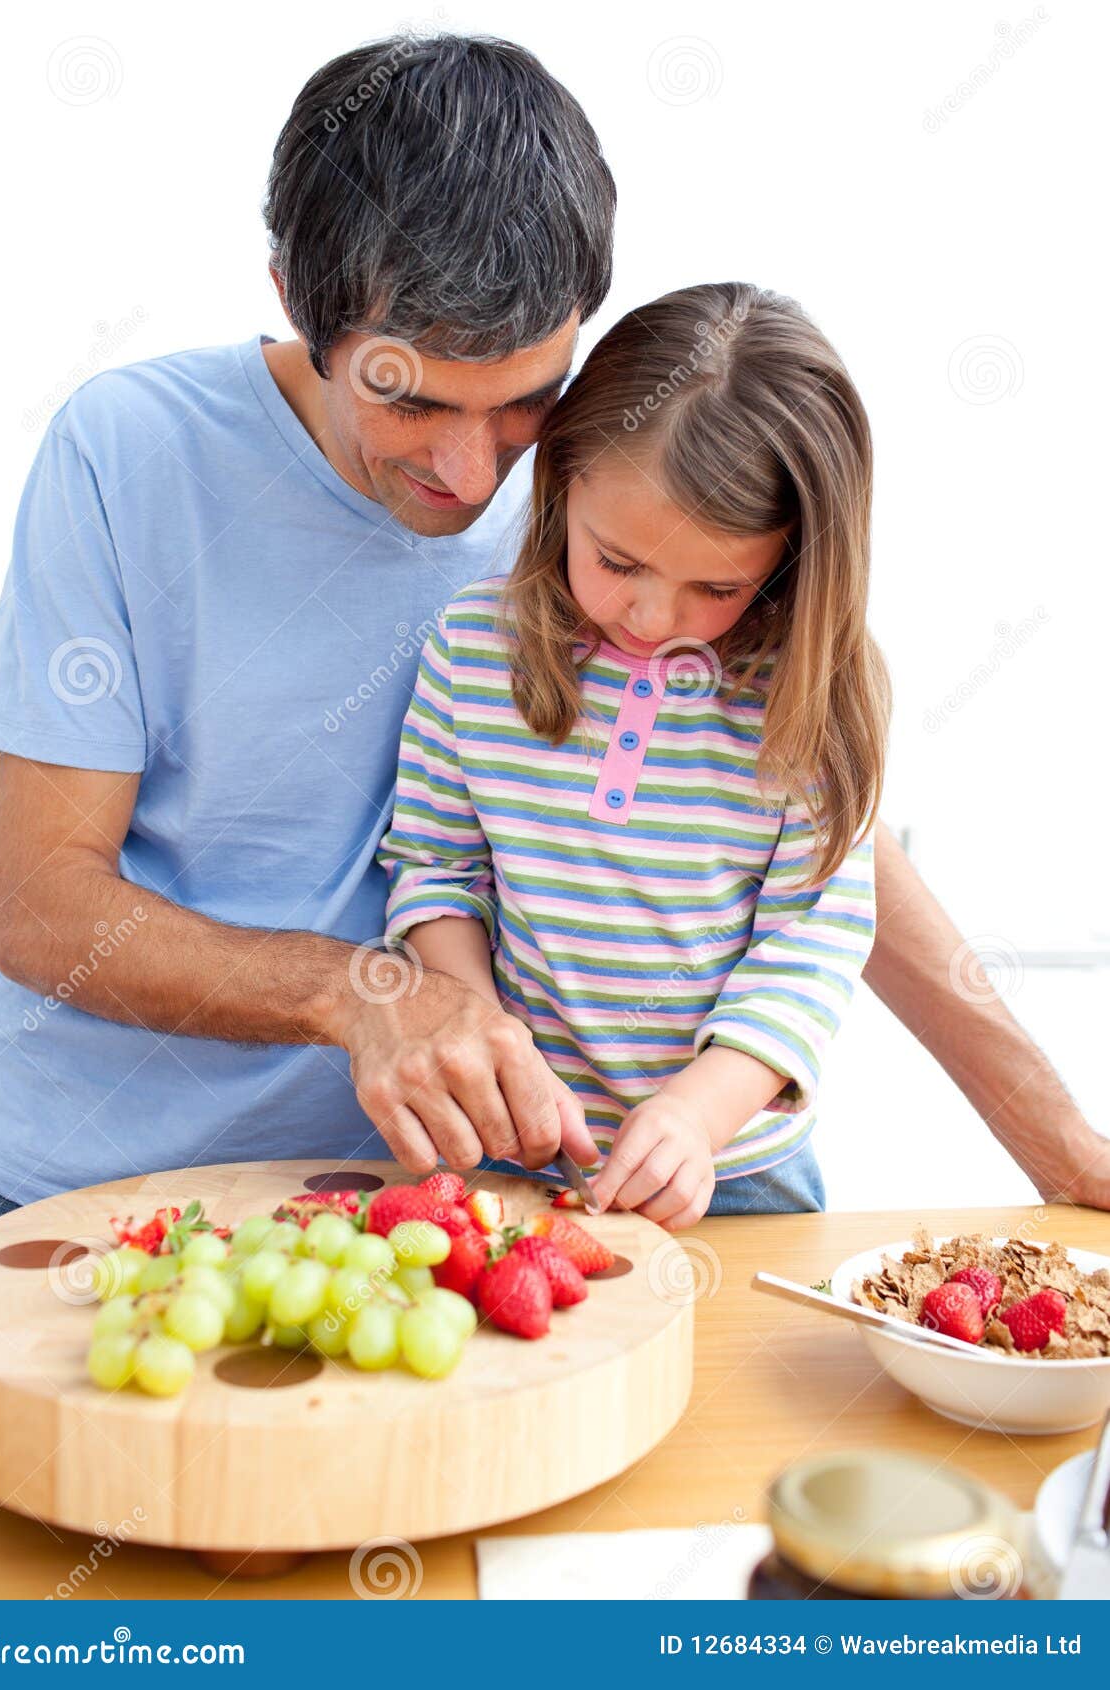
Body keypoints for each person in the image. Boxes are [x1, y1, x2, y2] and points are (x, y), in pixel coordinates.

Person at [0, 35, 1105, 1230]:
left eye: (524, 399)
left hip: (425, 1209)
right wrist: (360, 992)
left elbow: (811, 822)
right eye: (410, 399)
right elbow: (42, 903)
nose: (471, 470)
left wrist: (1057, 1136)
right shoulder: (126, 451)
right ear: (296, 300)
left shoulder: (609, 495)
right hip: (68, 1178)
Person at [378, 283, 886, 1226]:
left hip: (732, 1175)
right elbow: (436, 869)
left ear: (790, 559)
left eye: (715, 586)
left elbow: (807, 947)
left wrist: (696, 1117)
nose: (653, 617)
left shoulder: (804, 698)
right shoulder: (471, 649)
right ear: (560, 481)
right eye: (616, 562)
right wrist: (479, 1028)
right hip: (508, 1151)